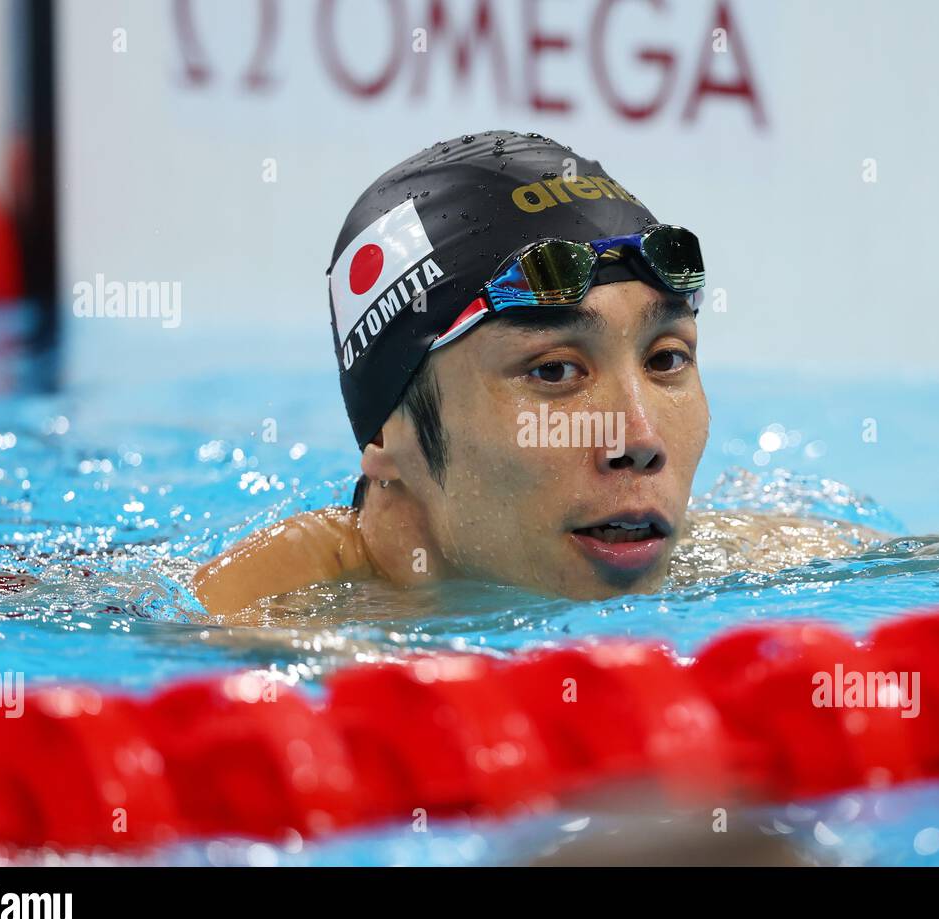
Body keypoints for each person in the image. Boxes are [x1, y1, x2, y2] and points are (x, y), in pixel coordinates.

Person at [191, 132, 872, 618]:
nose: (638, 438)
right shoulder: (248, 623)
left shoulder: (765, 566)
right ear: (389, 431)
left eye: (666, 359)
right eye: (554, 372)